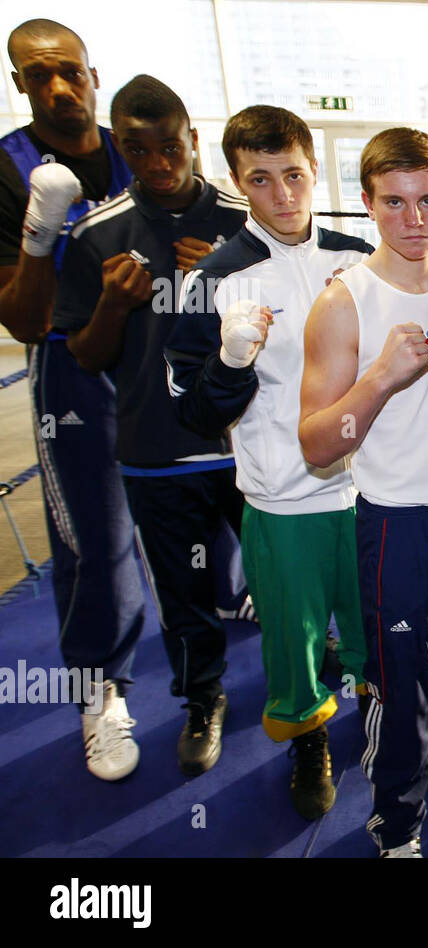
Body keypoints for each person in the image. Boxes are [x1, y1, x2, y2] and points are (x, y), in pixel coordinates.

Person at [298, 127, 428, 857]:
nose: (414, 219)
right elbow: (317, 442)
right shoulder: (344, 302)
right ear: (367, 204)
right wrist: (381, 377)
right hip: (395, 522)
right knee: (405, 685)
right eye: (394, 203)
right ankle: (398, 821)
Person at [164, 106, 372, 818]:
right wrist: (229, 362)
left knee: (379, 619)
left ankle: (380, 705)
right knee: (294, 641)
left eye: (293, 175)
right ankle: (308, 739)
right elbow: (191, 413)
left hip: (374, 489)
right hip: (284, 500)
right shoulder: (215, 280)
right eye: (262, 179)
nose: (283, 195)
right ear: (237, 183)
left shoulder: (359, 258)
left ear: (315, 172)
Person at [51, 75, 250, 776]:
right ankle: (203, 700)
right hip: (157, 452)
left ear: (192, 140)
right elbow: (83, 353)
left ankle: (308, 697)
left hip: (248, 446)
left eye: (170, 146)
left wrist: (230, 288)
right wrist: (111, 304)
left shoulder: (245, 221)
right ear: (123, 151)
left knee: (287, 582)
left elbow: (297, 333)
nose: (158, 163)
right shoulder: (96, 235)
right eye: (138, 151)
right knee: (184, 595)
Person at [0, 18, 143, 782]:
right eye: (37, 74)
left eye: (69, 71)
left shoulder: (138, 144)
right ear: (19, 82)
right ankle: (101, 689)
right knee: (95, 534)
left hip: (156, 357)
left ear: (92, 72)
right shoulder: (7, 167)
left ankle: (228, 595)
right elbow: (21, 317)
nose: (58, 86)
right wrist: (37, 232)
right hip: (69, 368)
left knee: (212, 488)